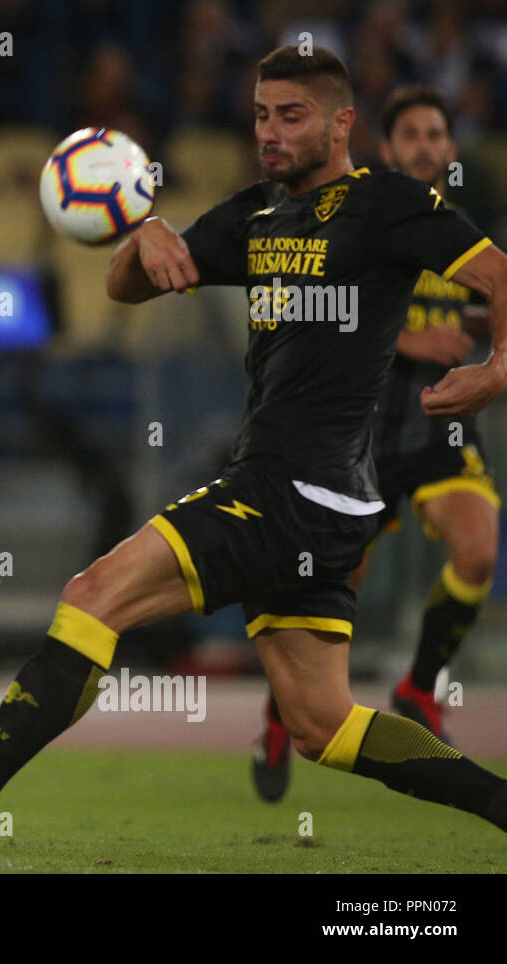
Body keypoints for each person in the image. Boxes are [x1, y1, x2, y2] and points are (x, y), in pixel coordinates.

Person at [0, 45, 507, 854]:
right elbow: (126, 285)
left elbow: (499, 278)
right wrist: (147, 235)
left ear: (343, 123)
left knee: (96, 595)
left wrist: (495, 368)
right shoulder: (258, 213)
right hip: (321, 502)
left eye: (291, 116)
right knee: (321, 723)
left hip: (289, 488)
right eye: (262, 114)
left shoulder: (392, 205)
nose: (270, 131)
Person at [253, 83, 500, 800]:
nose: (425, 146)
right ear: (387, 150)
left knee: (480, 550)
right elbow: (316, 317)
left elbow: (482, 297)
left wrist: (482, 338)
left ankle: (419, 689)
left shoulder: (460, 228)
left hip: (437, 426)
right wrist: (418, 338)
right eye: (411, 136)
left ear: (450, 150)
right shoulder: (356, 216)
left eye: (436, 135)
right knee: (325, 609)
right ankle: (282, 715)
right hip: (356, 436)